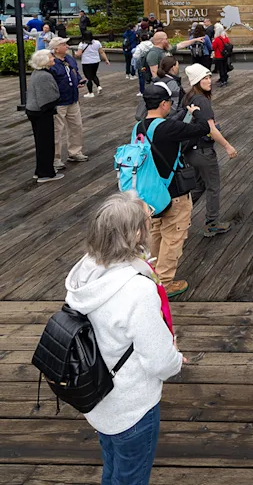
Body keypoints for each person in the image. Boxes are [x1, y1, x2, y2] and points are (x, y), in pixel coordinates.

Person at [65, 191, 184, 485]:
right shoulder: (136, 290)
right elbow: (161, 362)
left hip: (98, 400)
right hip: (131, 408)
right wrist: (176, 357)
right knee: (131, 477)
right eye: (148, 218)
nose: (151, 220)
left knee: (113, 469)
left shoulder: (84, 272)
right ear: (135, 233)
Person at [139, 82, 212, 296]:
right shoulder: (168, 127)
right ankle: (165, 282)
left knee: (155, 232)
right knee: (174, 237)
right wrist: (195, 113)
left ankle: (151, 274)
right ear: (163, 104)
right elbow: (203, 129)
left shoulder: (139, 127)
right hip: (173, 193)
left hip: (150, 193)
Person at [182, 63, 237, 237]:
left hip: (191, 151)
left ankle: (179, 215)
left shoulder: (189, 97)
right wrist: (227, 146)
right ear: (197, 81)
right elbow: (211, 129)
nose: (209, 80)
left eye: (208, 77)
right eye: (204, 78)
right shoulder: (202, 101)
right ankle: (212, 223)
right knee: (213, 187)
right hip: (204, 152)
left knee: (198, 186)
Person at [48, 36, 86, 167]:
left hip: (73, 98)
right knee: (56, 130)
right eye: (64, 44)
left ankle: (75, 152)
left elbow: (75, 71)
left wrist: (79, 80)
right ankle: (55, 158)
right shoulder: (51, 62)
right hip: (59, 101)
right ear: (56, 48)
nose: (67, 46)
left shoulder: (69, 59)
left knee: (76, 126)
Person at [26, 49, 63, 183]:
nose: (53, 58)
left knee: (41, 143)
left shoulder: (37, 73)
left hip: (34, 111)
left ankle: (40, 170)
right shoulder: (44, 76)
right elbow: (47, 99)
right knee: (46, 143)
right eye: (50, 57)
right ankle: (46, 173)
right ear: (44, 61)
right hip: (42, 113)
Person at [136, 55, 186, 121]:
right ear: (173, 68)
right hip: (167, 121)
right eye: (177, 65)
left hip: (154, 117)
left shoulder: (157, 80)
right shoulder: (172, 83)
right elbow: (174, 106)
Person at [77, 29, 110, 98]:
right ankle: (98, 86)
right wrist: (106, 60)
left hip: (86, 62)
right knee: (94, 75)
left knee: (88, 77)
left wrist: (75, 54)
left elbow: (79, 54)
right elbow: (101, 52)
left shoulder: (82, 44)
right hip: (96, 61)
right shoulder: (97, 42)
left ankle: (90, 92)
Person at [211, 23, 232, 87]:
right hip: (225, 55)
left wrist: (213, 42)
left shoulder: (217, 39)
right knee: (224, 68)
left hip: (218, 56)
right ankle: (225, 79)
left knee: (221, 69)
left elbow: (213, 47)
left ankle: (223, 81)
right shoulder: (226, 38)